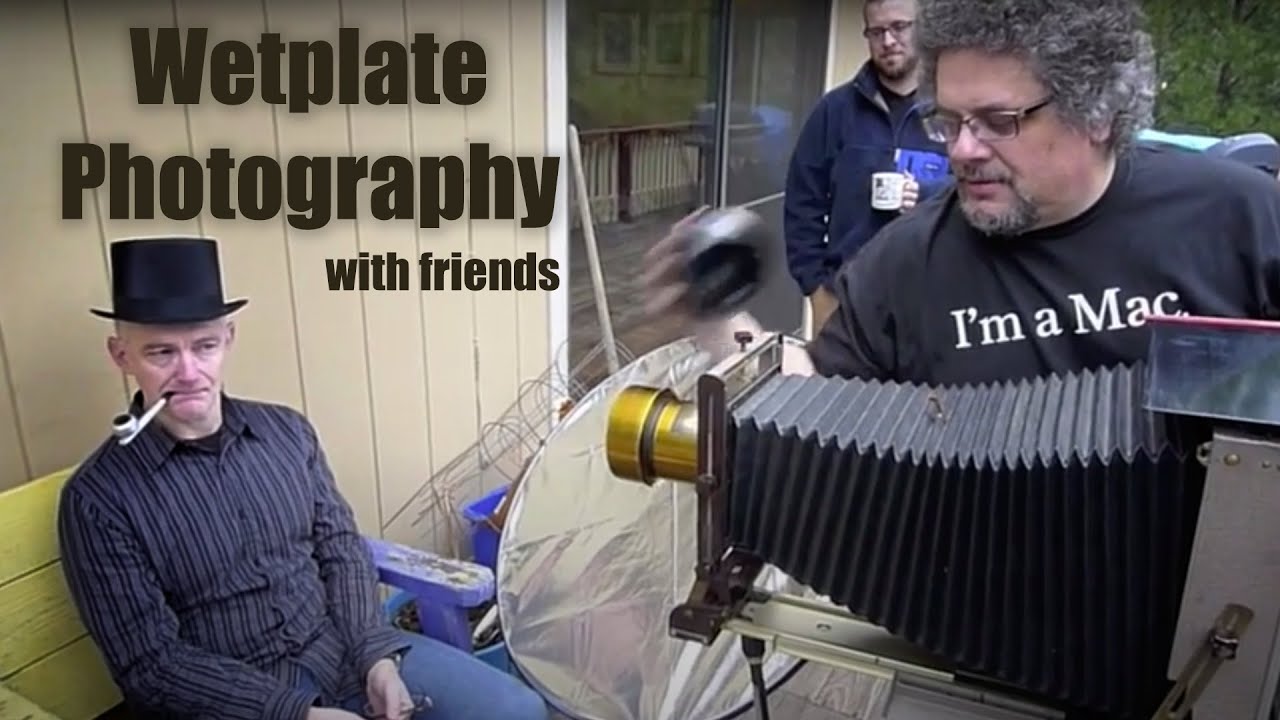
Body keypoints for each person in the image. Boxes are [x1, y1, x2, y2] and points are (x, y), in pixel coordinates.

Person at [650, 0, 1280, 390]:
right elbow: (814, 394)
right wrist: (718, 321)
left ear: (1097, 113)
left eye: (999, 121)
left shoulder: (1241, 218)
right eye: (948, 121)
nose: (963, 150)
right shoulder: (903, 263)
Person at [57, 237, 549, 720]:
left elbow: (341, 549)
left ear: (228, 338)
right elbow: (150, 664)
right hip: (239, 702)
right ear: (121, 355)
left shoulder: (286, 432)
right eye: (161, 353)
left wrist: (375, 656)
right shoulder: (99, 500)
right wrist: (297, 713)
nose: (188, 372)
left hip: (344, 654)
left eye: (204, 346)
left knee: (518, 710)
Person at [783, 0, 951, 332]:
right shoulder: (834, 111)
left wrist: (927, 191)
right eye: (876, 31)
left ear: (923, 28)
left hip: (933, 305)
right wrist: (815, 288)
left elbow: (979, 192)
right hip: (847, 302)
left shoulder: (952, 108)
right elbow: (802, 204)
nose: (888, 41)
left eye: (899, 27)